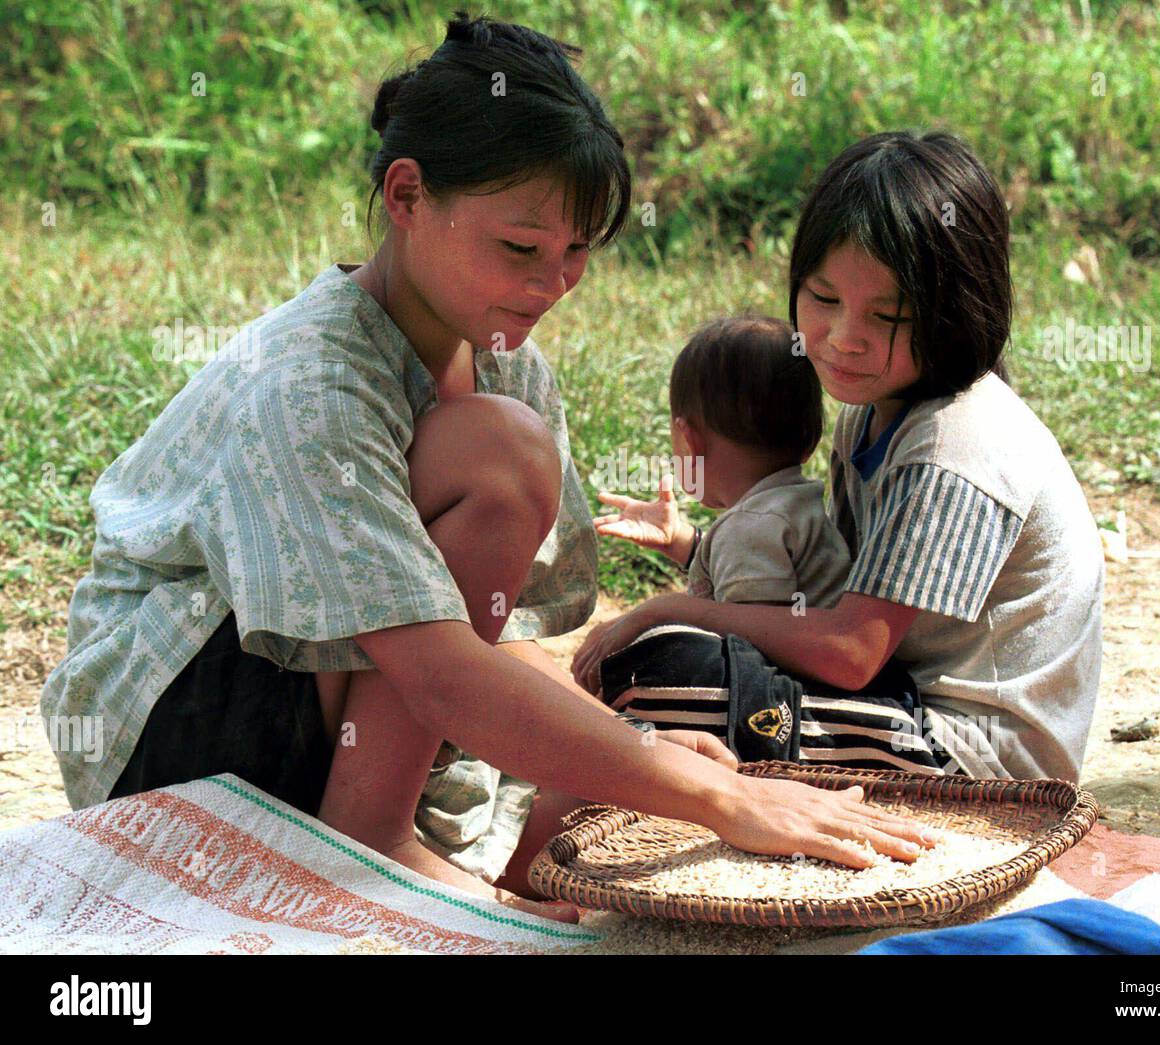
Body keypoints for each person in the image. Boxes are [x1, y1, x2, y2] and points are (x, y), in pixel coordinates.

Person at [41, 16, 937, 923]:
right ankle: (371, 837)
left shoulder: (505, 357)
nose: (550, 283)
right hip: (177, 741)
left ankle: (375, 824)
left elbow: (481, 642)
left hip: (321, 710)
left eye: (577, 252)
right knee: (501, 453)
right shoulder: (310, 382)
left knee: (517, 493)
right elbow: (436, 668)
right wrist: (723, 798)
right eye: (521, 247)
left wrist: (642, 743)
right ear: (406, 195)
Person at [575, 130, 1105, 787]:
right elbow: (827, 588)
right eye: (824, 300)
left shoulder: (954, 448)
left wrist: (671, 608)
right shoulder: (876, 407)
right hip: (901, 700)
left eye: (887, 314)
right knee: (682, 669)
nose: (844, 338)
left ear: (957, 313)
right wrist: (695, 551)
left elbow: (851, 651)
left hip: (976, 754)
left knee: (657, 675)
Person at [591, 315, 954, 772]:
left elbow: (753, 639)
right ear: (810, 439)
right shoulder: (789, 502)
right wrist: (686, 544)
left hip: (823, 699)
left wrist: (667, 615)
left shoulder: (752, 525)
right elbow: (762, 593)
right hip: (872, 687)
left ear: (689, 438)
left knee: (655, 658)